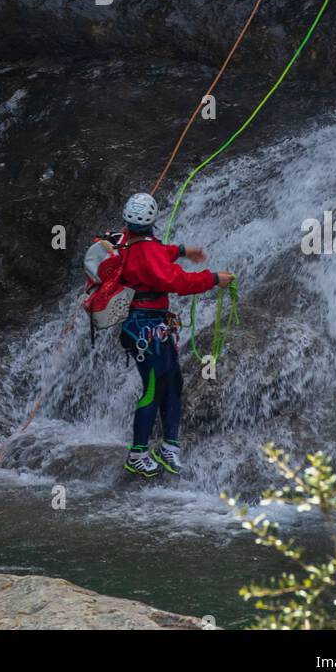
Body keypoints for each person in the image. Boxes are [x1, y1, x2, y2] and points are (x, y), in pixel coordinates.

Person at [117, 192, 234, 478]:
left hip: (147, 325)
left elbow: (156, 255)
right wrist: (213, 279)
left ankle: (170, 446)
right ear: (153, 219)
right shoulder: (145, 249)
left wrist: (182, 250)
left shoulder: (128, 243)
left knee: (172, 383)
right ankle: (137, 454)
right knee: (155, 388)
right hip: (147, 326)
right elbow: (174, 280)